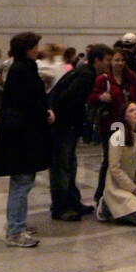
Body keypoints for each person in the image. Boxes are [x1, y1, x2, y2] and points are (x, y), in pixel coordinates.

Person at [0, 32, 52, 247]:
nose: (37, 50)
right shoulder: (24, 68)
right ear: (26, 48)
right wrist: (46, 114)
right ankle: (15, 230)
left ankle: (17, 223)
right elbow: (29, 101)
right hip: (21, 134)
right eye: (35, 46)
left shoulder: (19, 67)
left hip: (18, 131)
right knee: (22, 182)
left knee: (21, 182)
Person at [48, 44, 106, 221]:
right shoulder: (87, 75)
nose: (109, 64)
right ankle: (60, 207)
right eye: (107, 60)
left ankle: (73, 201)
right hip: (65, 125)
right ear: (97, 60)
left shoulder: (83, 71)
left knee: (69, 164)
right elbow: (69, 98)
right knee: (62, 166)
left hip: (66, 124)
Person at [92, 48, 136, 206]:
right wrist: (101, 97)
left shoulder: (131, 77)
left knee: (127, 159)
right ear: (111, 62)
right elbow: (91, 97)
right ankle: (102, 194)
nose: (119, 63)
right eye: (116, 60)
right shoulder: (103, 79)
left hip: (127, 125)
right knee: (110, 160)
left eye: (122, 60)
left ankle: (124, 190)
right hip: (111, 124)